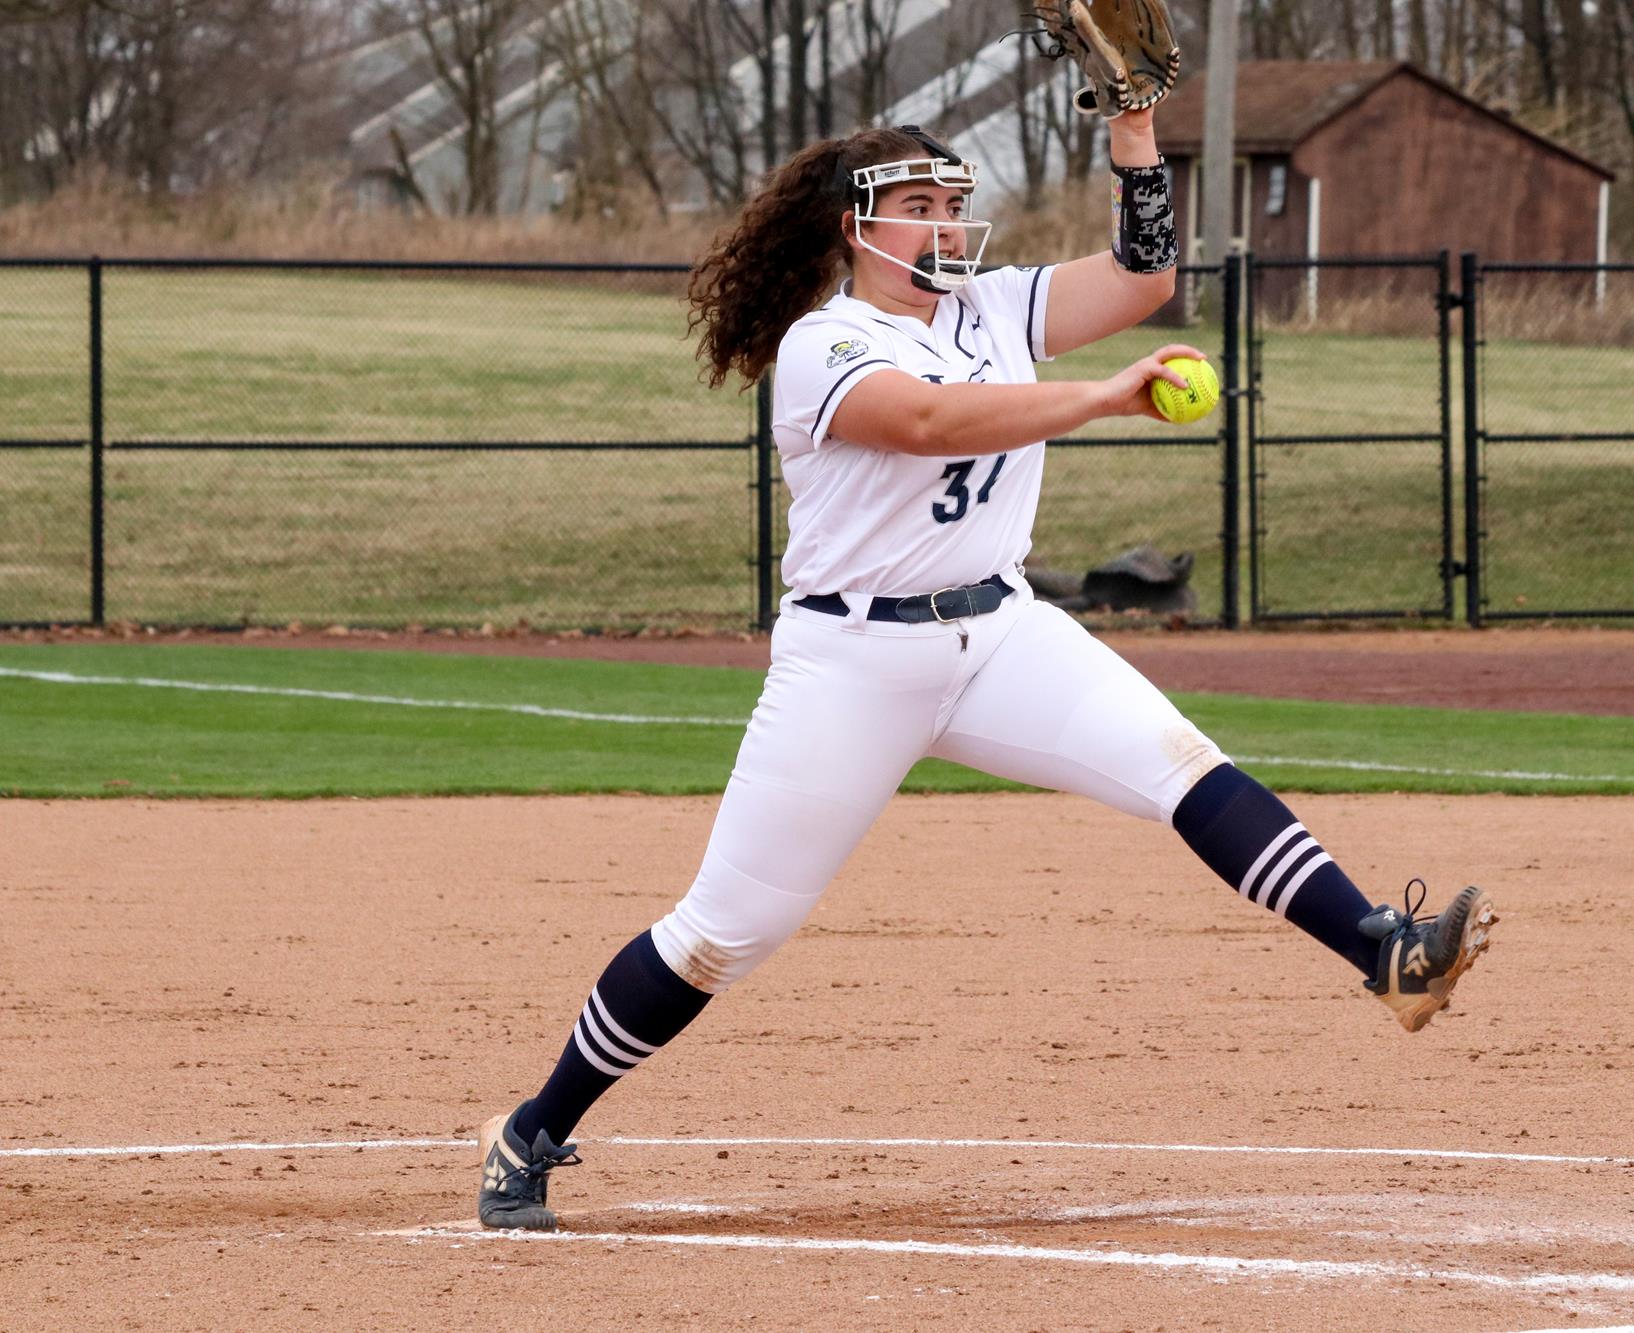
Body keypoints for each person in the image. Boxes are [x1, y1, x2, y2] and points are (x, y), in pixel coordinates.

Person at [474, 110, 1498, 1231]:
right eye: (916, 207)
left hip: (1001, 633)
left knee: (1181, 766)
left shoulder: (992, 305)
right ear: (852, 229)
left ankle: (1383, 953)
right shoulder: (828, 341)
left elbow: (1144, 277)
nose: (944, 224)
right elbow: (925, 420)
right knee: (723, 934)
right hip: (853, 659)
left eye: (949, 203)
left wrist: (1137, 136)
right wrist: (1105, 397)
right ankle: (530, 1132)